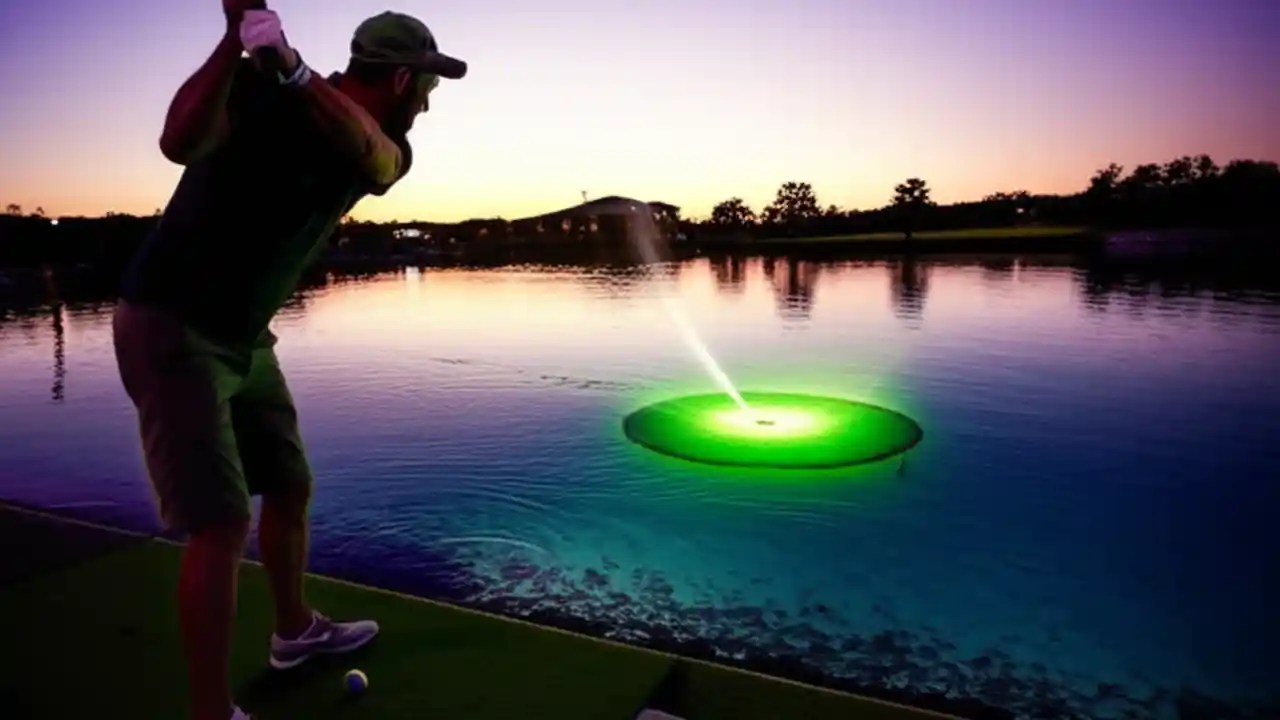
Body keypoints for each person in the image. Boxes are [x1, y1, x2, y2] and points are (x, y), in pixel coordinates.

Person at [111, 3, 466, 719]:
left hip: (245, 337)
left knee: (289, 482)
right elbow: (178, 142)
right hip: (172, 327)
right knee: (218, 524)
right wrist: (235, 37)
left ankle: (294, 631)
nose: (428, 104)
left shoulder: (375, 136)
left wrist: (294, 69)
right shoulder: (256, 88)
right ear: (402, 78)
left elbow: (371, 158)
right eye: (426, 86)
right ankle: (212, 711)